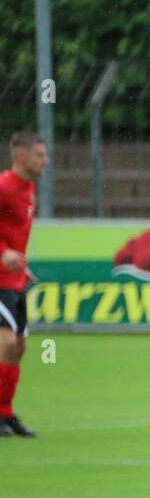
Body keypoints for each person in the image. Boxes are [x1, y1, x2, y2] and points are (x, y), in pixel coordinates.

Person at [0, 130, 46, 437]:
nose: (45, 161)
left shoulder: (29, 189)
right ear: (21, 155)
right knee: (5, 344)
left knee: (19, 347)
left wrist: (19, 264)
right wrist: (3, 254)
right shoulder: (3, 187)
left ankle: (6, 413)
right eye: (39, 155)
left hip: (15, 280)